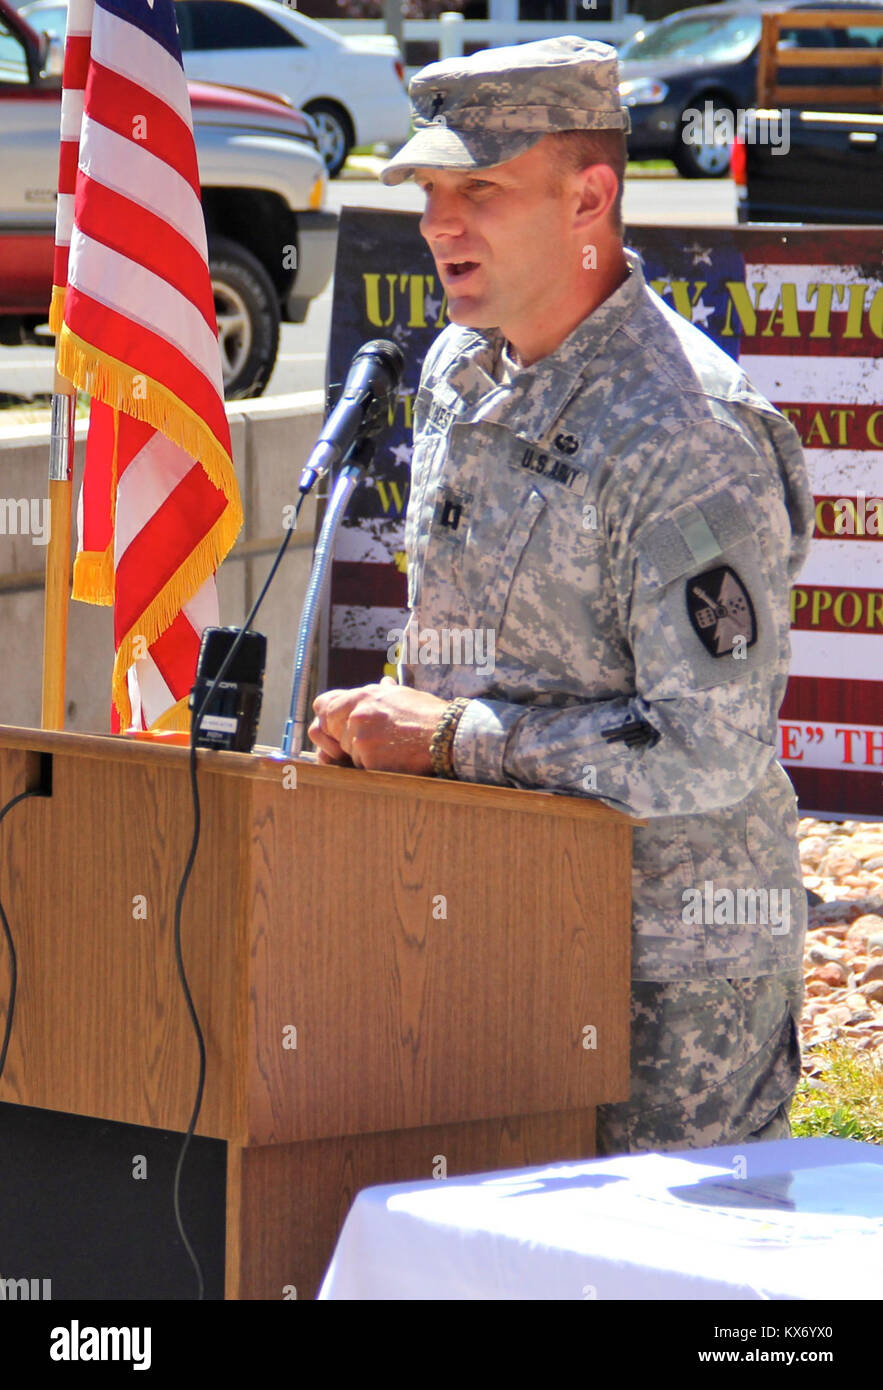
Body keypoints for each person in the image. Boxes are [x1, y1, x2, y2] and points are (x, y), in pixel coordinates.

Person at [309, 36, 815, 1155]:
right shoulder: (459, 371)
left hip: (664, 974)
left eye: (479, 189)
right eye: (432, 191)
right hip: (484, 933)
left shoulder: (688, 433)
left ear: (589, 197)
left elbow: (706, 750)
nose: (440, 222)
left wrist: (450, 743)